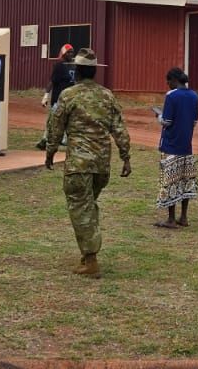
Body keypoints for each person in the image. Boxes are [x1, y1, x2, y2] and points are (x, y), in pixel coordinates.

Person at [41, 48, 131, 278]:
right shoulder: (107, 96)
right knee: (88, 207)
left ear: (77, 71)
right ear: (95, 72)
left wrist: (50, 152)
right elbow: (119, 128)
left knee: (81, 208)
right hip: (102, 165)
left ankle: (91, 260)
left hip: (78, 165)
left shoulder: (69, 95)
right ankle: (87, 254)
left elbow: (55, 126)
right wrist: (126, 156)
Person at [154, 67, 198, 229]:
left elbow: (167, 121)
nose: (167, 84)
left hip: (171, 145)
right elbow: (194, 121)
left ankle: (171, 219)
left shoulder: (171, 96)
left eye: (168, 81)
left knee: (170, 181)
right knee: (185, 180)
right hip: (187, 145)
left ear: (173, 80)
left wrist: (158, 115)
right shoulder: (194, 95)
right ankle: (184, 217)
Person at [45, 45, 78, 111]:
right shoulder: (59, 65)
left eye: (72, 52)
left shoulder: (74, 65)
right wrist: (46, 96)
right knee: (54, 117)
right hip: (58, 99)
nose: (71, 54)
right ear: (63, 53)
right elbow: (52, 81)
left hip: (70, 99)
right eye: (68, 52)